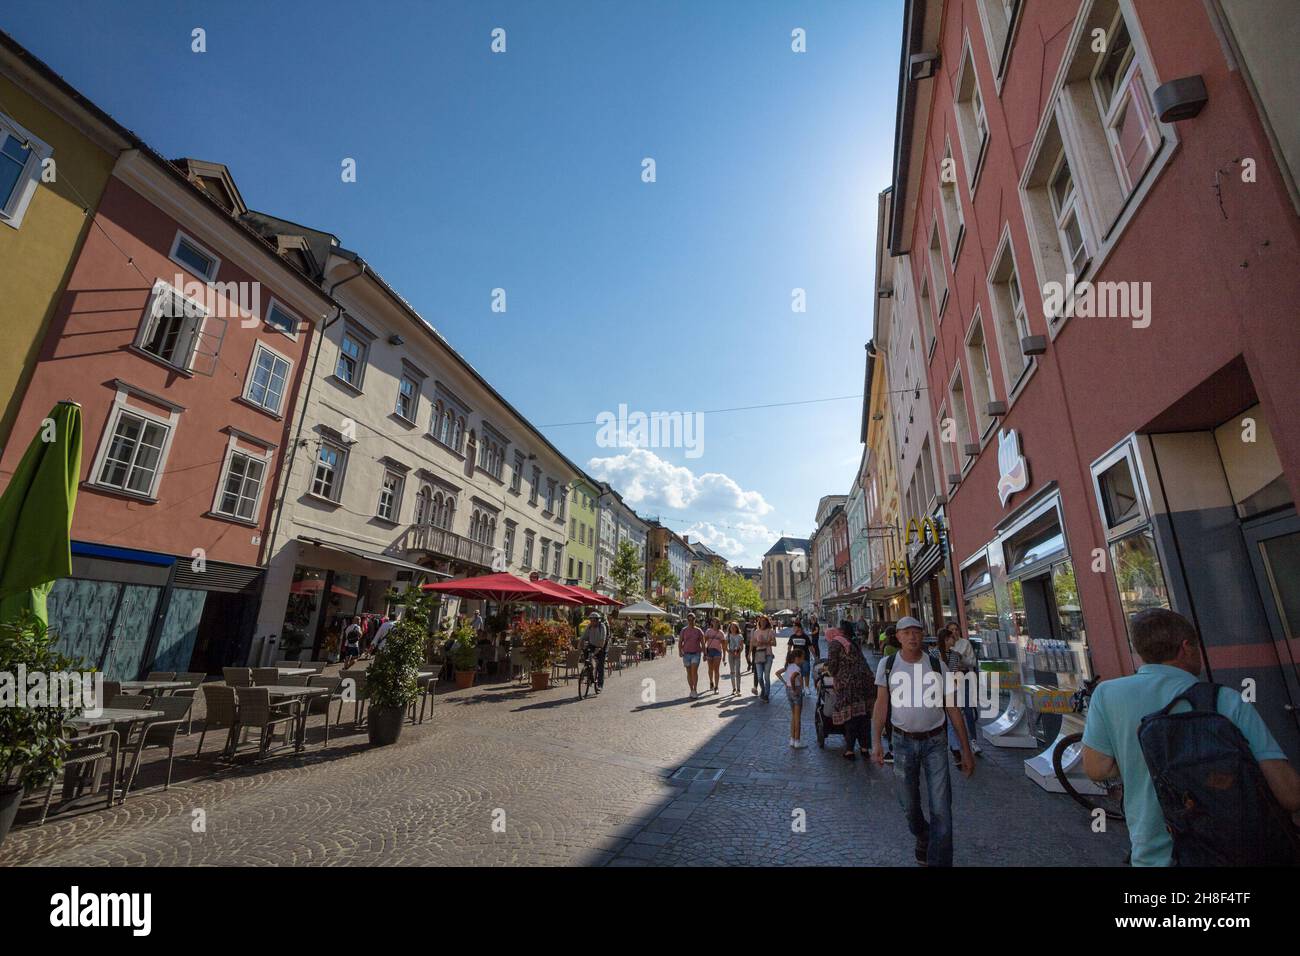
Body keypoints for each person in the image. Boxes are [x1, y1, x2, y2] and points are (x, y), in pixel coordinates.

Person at [1081, 608, 1300, 867]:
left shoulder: (1108, 695)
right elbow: (1290, 794)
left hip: (1155, 857)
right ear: (1186, 647)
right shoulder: (1225, 700)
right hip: (1235, 852)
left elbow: (1096, 769)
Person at [872, 616, 974, 867]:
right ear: (898, 637)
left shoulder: (937, 665)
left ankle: (939, 861)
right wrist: (875, 742)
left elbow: (953, 708)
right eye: (906, 632)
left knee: (941, 809)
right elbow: (881, 706)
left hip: (935, 743)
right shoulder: (888, 665)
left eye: (916, 632)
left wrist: (966, 749)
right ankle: (923, 834)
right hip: (902, 743)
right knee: (909, 805)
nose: (912, 637)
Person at [827, 622, 876, 759]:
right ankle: (865, 748)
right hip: (866, 682)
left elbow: (832, 666)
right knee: (864, 716)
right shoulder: (852, 642)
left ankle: (849, 750)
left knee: (850, 716)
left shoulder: (835, 643)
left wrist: (832, 674)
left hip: (849, 684)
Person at [946, 621, 982, 755]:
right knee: (953, 711)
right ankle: (957, 742)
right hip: (951, 679)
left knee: (967, 709)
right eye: (951, 630)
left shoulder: (965, 643)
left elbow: (972, 662)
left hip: (964, 677)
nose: (954, 632)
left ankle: (973, 740)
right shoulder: (946, 644)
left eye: (956, 629)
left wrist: (961, 660)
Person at [776, 647, 808, 748]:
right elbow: (793, 677)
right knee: (798, 718)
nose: (803, 660)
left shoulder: (788, 666)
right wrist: (794, 687)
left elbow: (777, 673)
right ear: (797, 659)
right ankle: (797, 741)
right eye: (802, 658)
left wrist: (786, 683)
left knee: (793, 716)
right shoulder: (797, 668)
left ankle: (792, 739)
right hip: (796, 691)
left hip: (788, 691)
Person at [678, 612, 705, 699]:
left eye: (692, 619)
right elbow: (680, 641)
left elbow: (703, 643)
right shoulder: (684, 630)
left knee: (694, 671)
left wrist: (705, 654)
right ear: (687, 620)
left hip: (696, 653)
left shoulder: (698, 631)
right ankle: (691, 689)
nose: (690, 621)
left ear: (695, 620)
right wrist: (680, 651)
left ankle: (695, 689)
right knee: (689, 672)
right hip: (686, 654)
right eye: (689, 619)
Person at [749, 615, 776, 701]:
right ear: (759, 622)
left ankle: (766, 695)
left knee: (766, 676)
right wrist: (758, 644)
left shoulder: (770, 631)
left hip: (768, 655)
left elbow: (775, 643)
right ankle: (763, 690)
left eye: (764, 621)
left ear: (767, 622)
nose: (763, 622)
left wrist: (765, 642)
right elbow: (753, 643)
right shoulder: (756, 632)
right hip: (759, 655)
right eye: (761, 621)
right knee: (760, 677)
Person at [583, 611, 609, 691]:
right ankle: (589, 674)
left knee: (600, 666)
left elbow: (602, 640)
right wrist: (579, 646)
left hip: (602, 646)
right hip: (592, 645)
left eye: (594, 620)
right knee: (587, 659)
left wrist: (598, 650)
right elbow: (583, 637)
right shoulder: (589, 626)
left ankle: (600, 685)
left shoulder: (602, 627)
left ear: (598, 620)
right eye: (591, 620)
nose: (592, 622)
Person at [703, 617, 726, 694]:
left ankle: (716, 686)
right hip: (709, 651)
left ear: (719, 623)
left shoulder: (721, 633)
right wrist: (704, 653)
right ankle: (711, 682)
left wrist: (724, 656)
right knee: (710, 669)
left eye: (717, 622)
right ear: (711, 622)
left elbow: (724, 645)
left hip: (717, 652)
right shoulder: (708, 631)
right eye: (714, 621)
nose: (715, 623)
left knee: (716, 669)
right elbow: (704, 642)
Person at [787, 621, 812, 689]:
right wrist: (789, 656)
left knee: (806, 672)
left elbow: (810, 647)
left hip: (805, 657)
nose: (793, 628)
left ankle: (807, 687)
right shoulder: (792, 636)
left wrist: (815, 656)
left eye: (795, 627)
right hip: (796, 659)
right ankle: (802, 687)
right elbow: (789, 647)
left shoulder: (805, 636)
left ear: (799, 628)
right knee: (799, 673)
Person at [724, 620, 745, 695]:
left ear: (737, 628)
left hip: (737, 655)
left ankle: (738, 689)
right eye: (731, 627)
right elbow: (725, 646)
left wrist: (738, 652)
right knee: (732, 671)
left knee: (738, 672)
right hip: (731, 655)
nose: (733, 629)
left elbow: (742, 647)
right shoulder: (728, 635)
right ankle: (733, 688)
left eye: (734, 627)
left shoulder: (740, 636)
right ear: (729, 628)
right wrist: (729, 652)